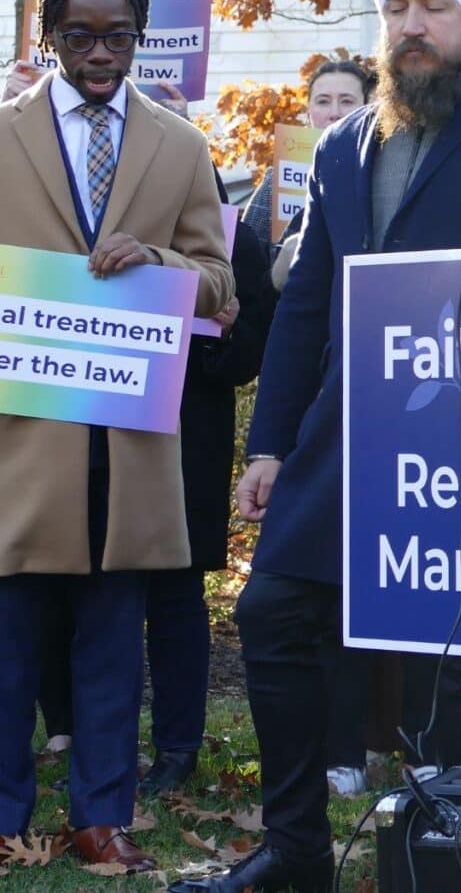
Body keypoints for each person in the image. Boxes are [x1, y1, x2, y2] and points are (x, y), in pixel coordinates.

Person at [176, 0, 461, 893]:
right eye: (397, 7)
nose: (414, 25)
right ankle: (294, 854)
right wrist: (271, 442)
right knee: (275, 614)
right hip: (350, 444)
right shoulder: (341, 143)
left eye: (434, 6)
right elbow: (308, 308)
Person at [0, 0, 233, 873]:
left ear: (141, 34)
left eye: (119, 36)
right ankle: (6, 810)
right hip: (22, 431)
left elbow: (221, 285)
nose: (101, 54)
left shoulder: (180, 144)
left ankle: (102, 816)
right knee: (11, 636)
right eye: (80, 35)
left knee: (109, 635)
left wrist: (163, 269)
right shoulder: (3, 133)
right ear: (49, 35)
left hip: (129, 431)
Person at [137, 208, 279, 799]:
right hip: (92, 425)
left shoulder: (227, 232)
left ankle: (176, 748)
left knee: (175, 590)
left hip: (187, 431)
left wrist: (220, 331)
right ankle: (88, 738)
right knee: (93, 595)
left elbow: (254, 348)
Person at [243, 58, 375, 262]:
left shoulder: (384, 173)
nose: (335, 113)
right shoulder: (278, 180)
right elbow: (245, 262)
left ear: (368, 109)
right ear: (308, 113)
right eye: (323, 101)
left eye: (347, 101)